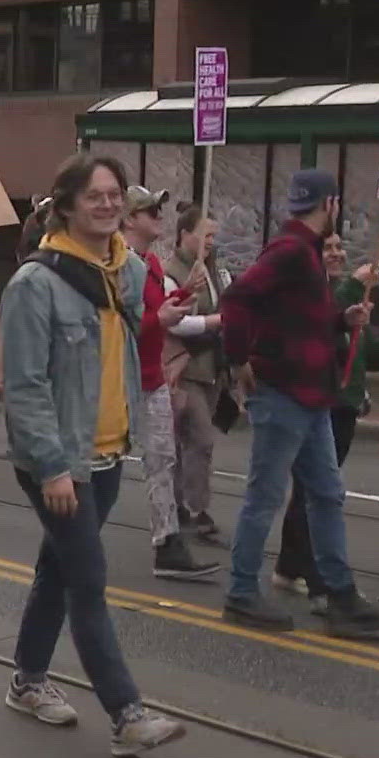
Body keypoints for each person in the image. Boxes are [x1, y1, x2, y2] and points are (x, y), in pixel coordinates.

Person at [0, 153, 184, 756]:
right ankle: (127, 714)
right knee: (87, 578)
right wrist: (52, 466)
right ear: (67, 205)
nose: (108, 205)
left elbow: (140, 313)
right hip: (60, 462)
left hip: (108, 454)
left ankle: (27, 680)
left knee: (58, 568)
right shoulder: (36, 283)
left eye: (115, 197)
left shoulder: (120, 273)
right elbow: (25, 386)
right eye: (96, 196)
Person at [217, 169, 379, 637]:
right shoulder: (292, 251)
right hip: (285, 393)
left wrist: (342, 317)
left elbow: (301, 318)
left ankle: (340, 595)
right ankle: (241, 593)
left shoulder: (303, 253)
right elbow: (238, 297)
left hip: (311, 395)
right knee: (267, 495)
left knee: (326, 493)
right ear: (331, 204)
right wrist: (238, 359)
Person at [272, 240, 379, 601]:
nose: (338, 253)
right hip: (324, 403)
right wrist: (356, 283)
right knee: (316, 492)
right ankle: (315, 577)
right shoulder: (323, 294)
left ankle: (289, 566)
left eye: (340, 246)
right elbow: (331, 319)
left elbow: (368, 354)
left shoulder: (339, 295)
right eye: (327, 247)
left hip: (343, 406)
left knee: (313, 490)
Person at [120, 186, 218, 581]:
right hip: (121, 377)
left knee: (162, 459)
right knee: (99, 462)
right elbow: (120, 325)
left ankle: (167, 543)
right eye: (149, 210)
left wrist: (184, 294)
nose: (158, 215)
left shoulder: (153, 265)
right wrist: (158, 319)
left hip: (152, 377)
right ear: (129, 220)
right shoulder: (119, 264)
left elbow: (162, 314)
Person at [160, 205, 229, 545]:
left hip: (211, 368)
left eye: (214, 236)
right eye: (205, 235)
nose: (210, 242)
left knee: (191, 442)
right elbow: (177, 322)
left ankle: (183, 504)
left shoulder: (214, 272)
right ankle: (194, 508)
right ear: (185, 235)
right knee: (199, 438)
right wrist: (215, 322)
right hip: (185, 366)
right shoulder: (170, 273)